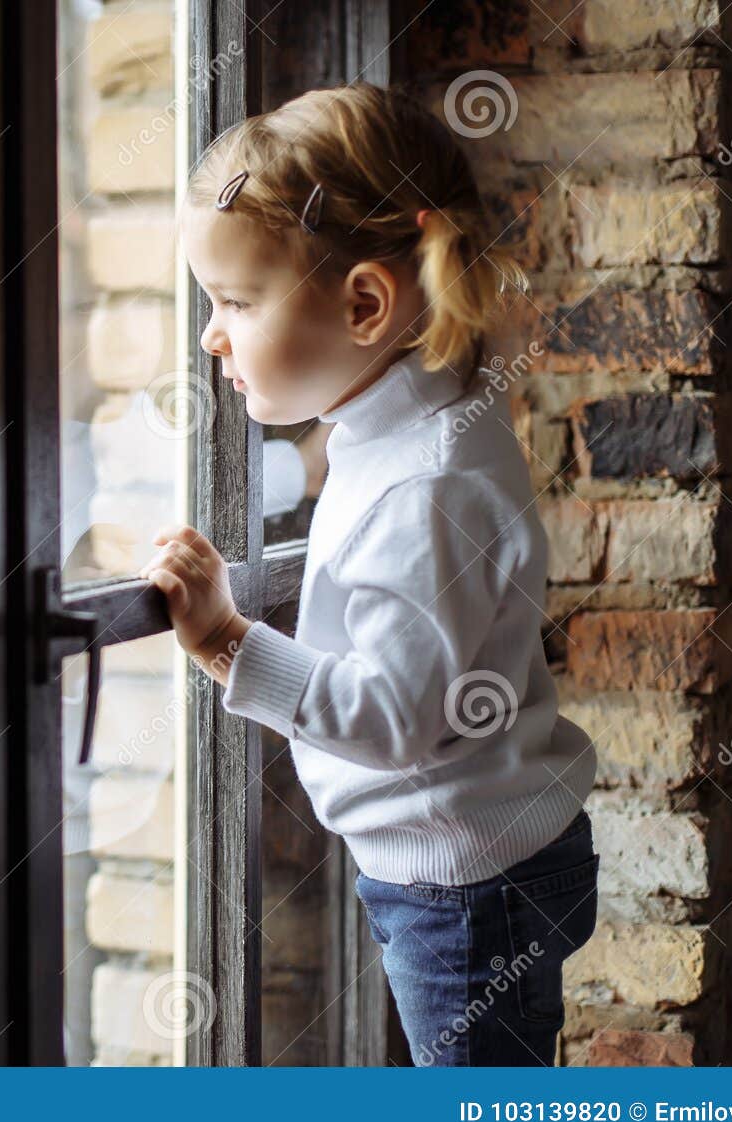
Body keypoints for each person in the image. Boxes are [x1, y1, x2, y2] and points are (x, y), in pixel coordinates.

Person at [138, 82, 599, 1066]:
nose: (210, 335)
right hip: (481, 861)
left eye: (235, 301)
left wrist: (225, 639)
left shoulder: (423, 488)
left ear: (362, 301)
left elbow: (394, 718)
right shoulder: (426, 422)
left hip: (466, 883)